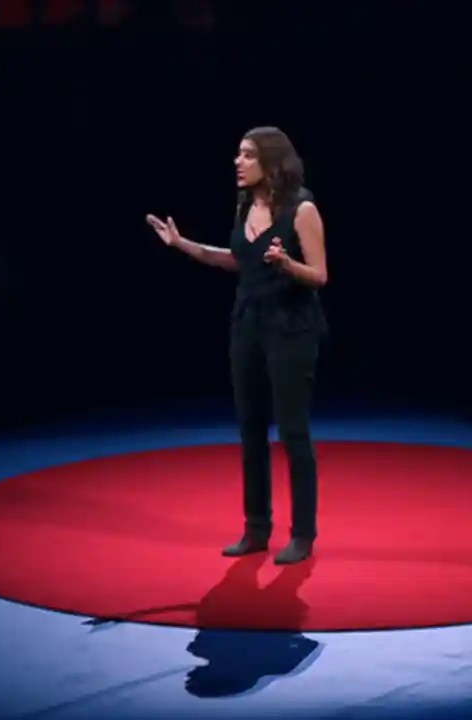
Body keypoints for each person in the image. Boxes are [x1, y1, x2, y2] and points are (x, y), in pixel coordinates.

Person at [146, 126, 328, 565]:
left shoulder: (301, 207)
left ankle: (302, 534)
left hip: (291, 328)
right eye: (238, 154)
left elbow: (320, 275)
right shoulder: (246, 205)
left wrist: (286, 264)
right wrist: (184, 245)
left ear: (270, 161)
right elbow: (238, 259)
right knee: (250, 430)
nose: (237, 162)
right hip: (247, 325)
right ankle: (255, 528)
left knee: (292, 431)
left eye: (246, 155)